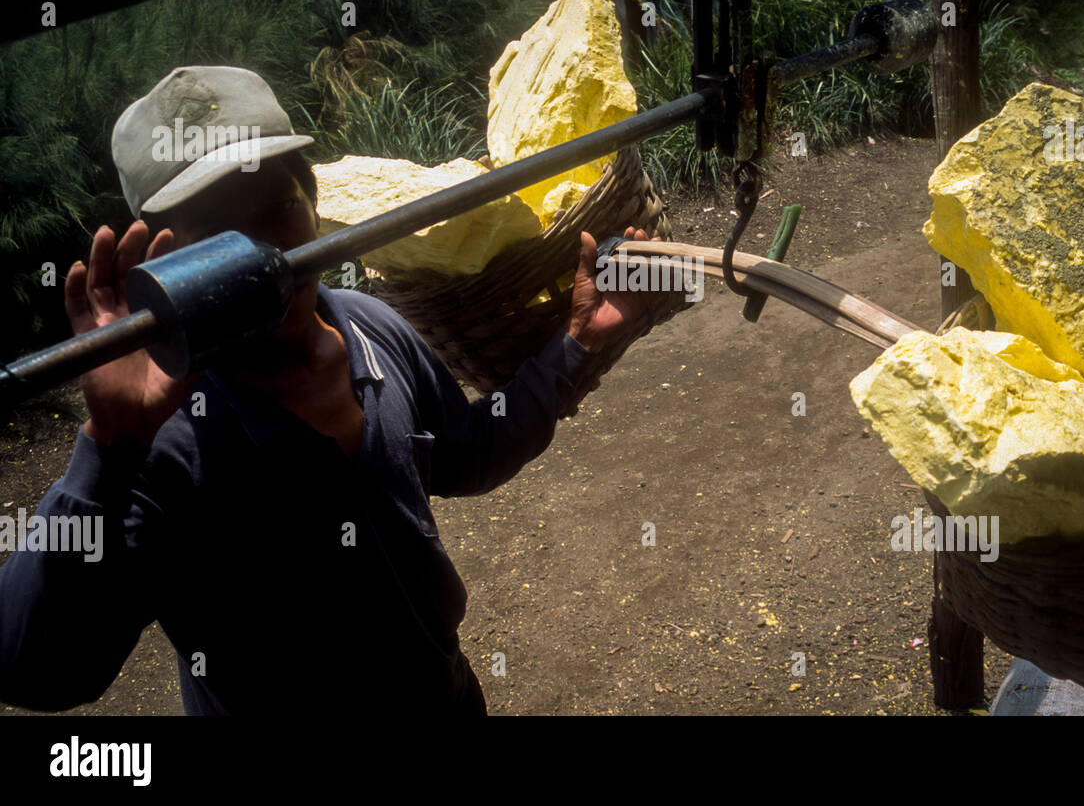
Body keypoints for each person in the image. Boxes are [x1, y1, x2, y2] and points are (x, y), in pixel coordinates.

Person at [0, 65, 658, 715]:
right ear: (162, 259)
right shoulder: (161, 445)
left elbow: (469, 452)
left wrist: (576, 343)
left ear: (313, 207)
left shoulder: (370, 325)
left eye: (278, 208)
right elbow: (34, 670)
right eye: (215, 232)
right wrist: (109, 449)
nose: (260, 255)